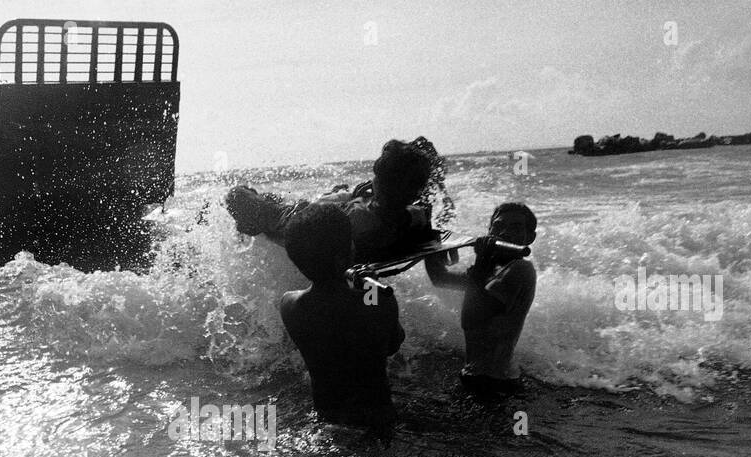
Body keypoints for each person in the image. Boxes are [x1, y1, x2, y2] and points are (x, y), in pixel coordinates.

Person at [278, 203, 405, 440]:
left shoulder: (290, 305)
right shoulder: (376, 301)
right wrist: (370, 287)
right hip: (376, 418)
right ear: (341, 257)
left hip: (327, 418)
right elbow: (393, 345)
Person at [226, 138, 443, 263]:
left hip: (294, 224)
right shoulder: (417, 215)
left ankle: (243, 226)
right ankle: (248, 218)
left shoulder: (359, 219)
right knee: (267, 198)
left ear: (378, 181)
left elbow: (318, 218)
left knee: (237, 195)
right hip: (312, 214)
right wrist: (355, 196)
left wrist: (351, 198)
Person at [425, 202, 538, 397]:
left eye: (516, 228)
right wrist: (430, 245)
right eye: (498, 226)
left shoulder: (520, 269)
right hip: (476, 378)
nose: (505, 232)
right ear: (489, 230)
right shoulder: (490, 269)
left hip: (495, 384)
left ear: (529, 238)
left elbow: (473, 319)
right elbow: (440, 279)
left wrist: (481, 260)